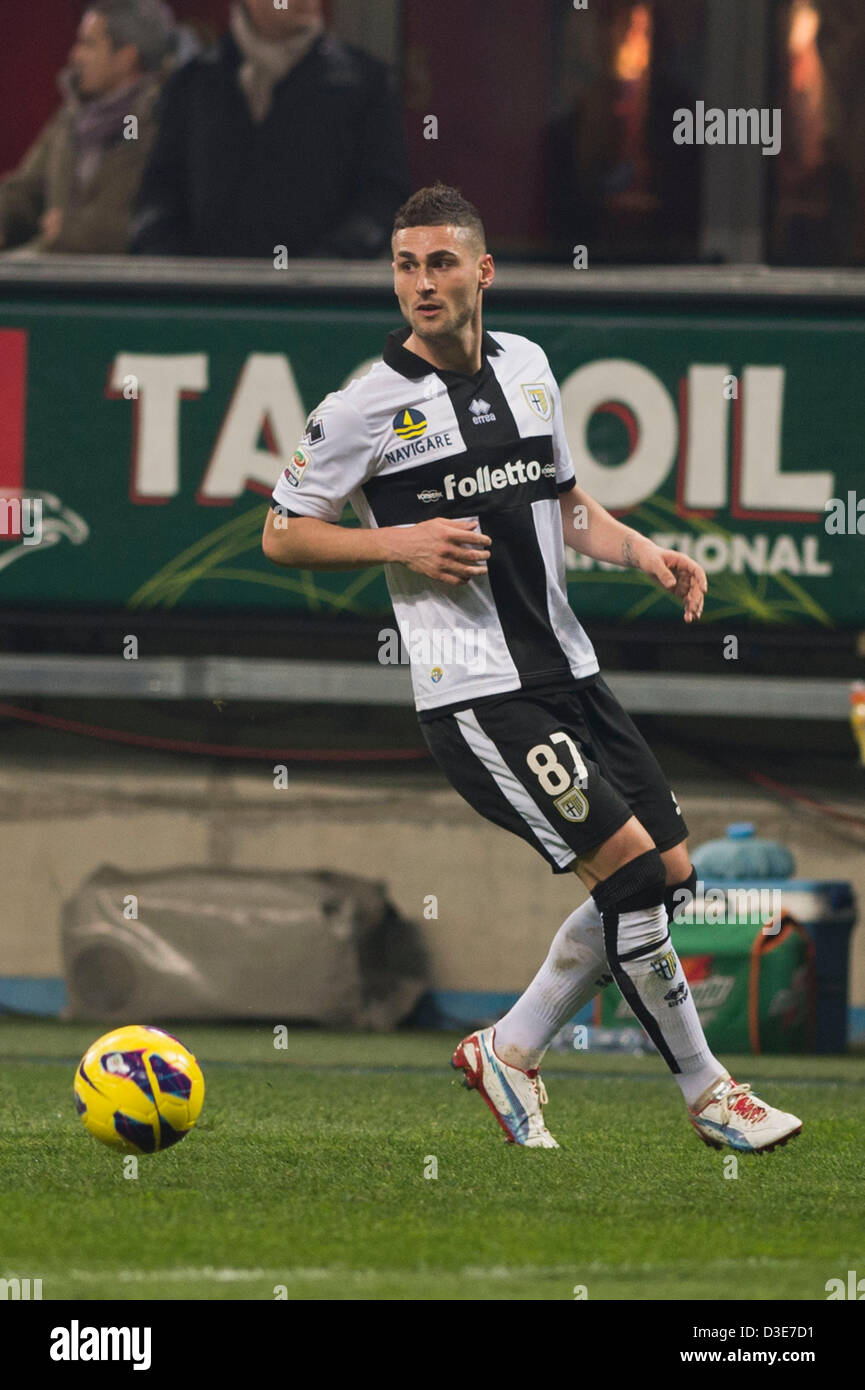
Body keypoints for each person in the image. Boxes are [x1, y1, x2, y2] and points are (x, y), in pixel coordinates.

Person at [261, 182, 803, 1155]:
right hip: (479, 695)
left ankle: (508, 1049)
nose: (420, 283)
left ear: (482, 271)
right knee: (633, 871)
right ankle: (708, 1090)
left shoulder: (530, 367)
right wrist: (401, 543)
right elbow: (282, 534)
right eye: (404, 265)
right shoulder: (363, 407)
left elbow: (561, 501)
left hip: (569, 672)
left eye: (439, 262)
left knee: (666, 874)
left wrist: (642, 552)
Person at [130, 0, 410, 258]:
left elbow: (384, 197)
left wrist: (326, 267)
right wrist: (173, 270)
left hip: (322, 298)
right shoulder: (194, 84)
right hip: (209, 298)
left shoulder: (362, 83)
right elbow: (159, 194)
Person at [0, 0, 174, 256]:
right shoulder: (72, 119)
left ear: (126, 57)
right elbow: (28, 188)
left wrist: (68, 230)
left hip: (117, 285)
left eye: (89, 44)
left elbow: (135, 219)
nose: (75, 56)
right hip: (53, 273)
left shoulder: (144, 121)